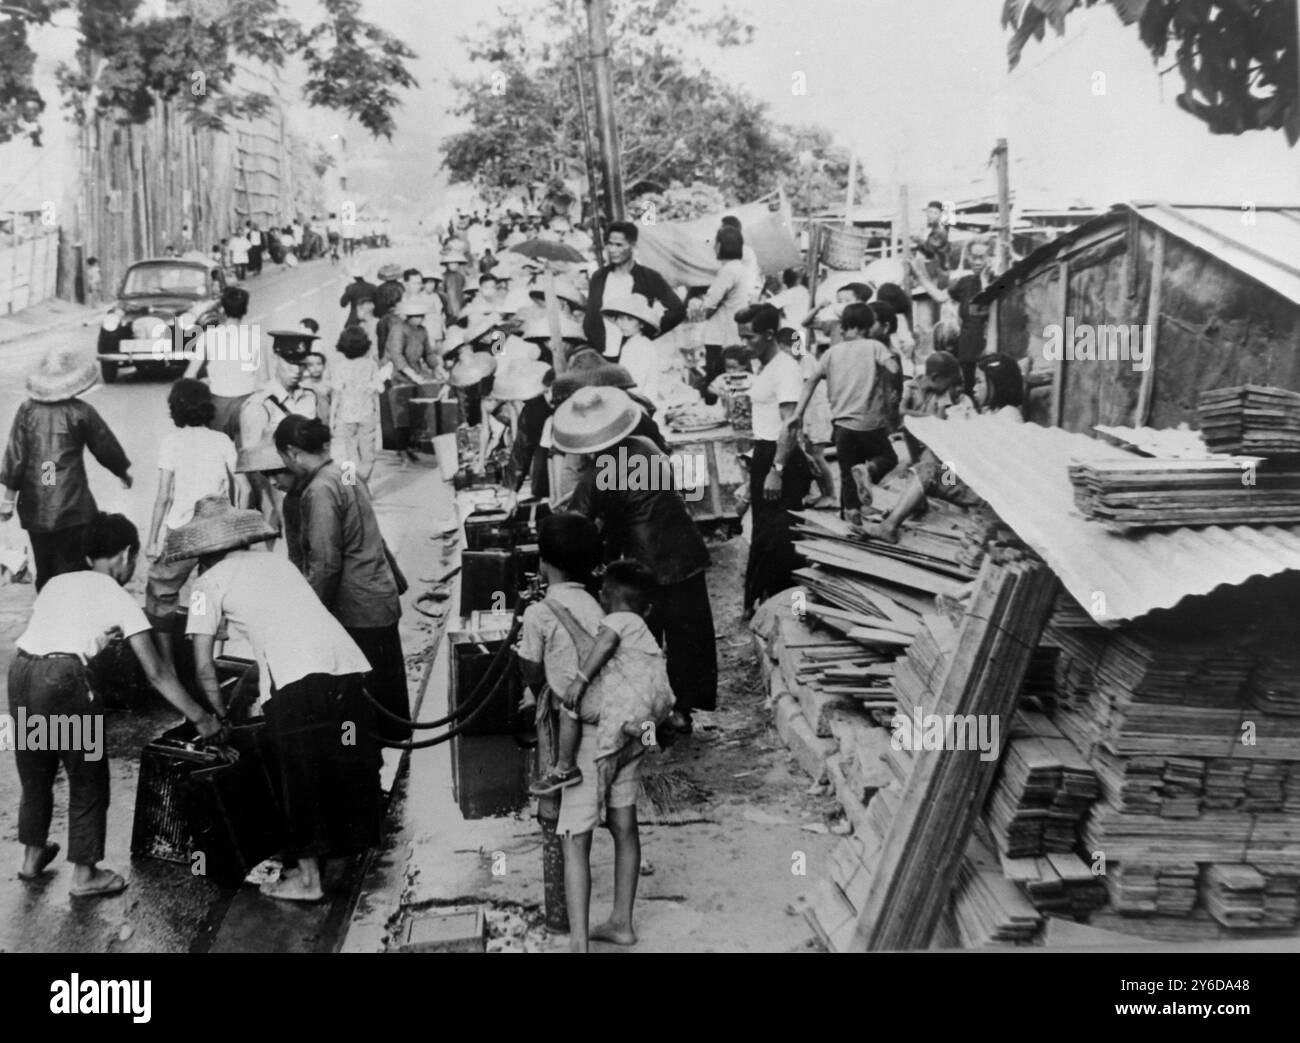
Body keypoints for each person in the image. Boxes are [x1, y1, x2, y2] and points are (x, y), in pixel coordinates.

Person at [168, 496, 379, 902]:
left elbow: (203, 667)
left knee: (296, 778)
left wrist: (216, 717)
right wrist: (255, 679)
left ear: (201, 551)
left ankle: (308, 880)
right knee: (339, 758)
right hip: (344, 663)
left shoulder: (205, 585)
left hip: (296, 682)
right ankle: (348, 851)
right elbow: (287, 622)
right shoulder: (276, 562)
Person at [12, 513, 222, 897]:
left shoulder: (57, 582)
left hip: (22, 673)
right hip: (65, 680)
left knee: (37, 769)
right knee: (88, 775)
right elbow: (157, 672)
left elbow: (56, 630)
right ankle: (86, 874)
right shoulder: (116, 595)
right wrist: (202, 717)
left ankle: (32, 856)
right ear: (126, 554)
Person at [515, 513, 644, 952]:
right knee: (625, 826)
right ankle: (622, 923)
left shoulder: (538, 613)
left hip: (584, 736)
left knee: (575, 840)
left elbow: (532, 673)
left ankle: (578, 946)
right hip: (625, 726)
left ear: (543, 560)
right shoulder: (603, 603)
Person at [559, 386, 716, 733]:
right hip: (685, 547)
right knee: (688, 635)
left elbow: (575, 527)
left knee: (642, 641)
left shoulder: (597, 472)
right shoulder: (646, 447)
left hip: (648, 562)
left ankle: (650, 714)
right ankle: (682, 710)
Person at [274, 416, 410, 744]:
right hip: (378, 593)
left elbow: (325, 564)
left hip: (356, 606)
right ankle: (395, 742)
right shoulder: (345, 471)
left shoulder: (319, 489)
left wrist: (307, 615)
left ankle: (370, 756)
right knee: (388, 686)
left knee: (363, 696)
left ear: (292, 453)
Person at [530, 556, 675, 795]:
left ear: (603, 598)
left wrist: (580, 680)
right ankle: (652, 743)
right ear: (647, 609)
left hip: (632, 704)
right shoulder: (640, 625)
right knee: (645, 720)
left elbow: (604, 647)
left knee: (569, 709)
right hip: (659, 698)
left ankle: (565, 768)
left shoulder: (616, 620)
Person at [0, 349, 133, 590]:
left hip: (36, 508)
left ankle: (49, 614)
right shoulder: (80, 411)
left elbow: (15, 457)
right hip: (73, 507)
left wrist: (8, 500)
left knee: (45, 568)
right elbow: (105, 446)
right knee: (73, 567)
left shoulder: (27, 411)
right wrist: (122, 472)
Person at [864, 353, 1022, 544]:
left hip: (984, 492)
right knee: (932, 454)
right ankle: (915, 502)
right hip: (977, 482)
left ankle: (889, 526)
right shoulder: (994, 412)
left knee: (928, 471)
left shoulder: (1008, 417)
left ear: (998, 384)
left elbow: (991, 460)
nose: (974, 387)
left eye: (980, 382)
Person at [144, 379, 237, 671]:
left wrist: (152, 540)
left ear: (176, 409)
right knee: (209, 595)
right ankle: (208, 662)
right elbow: (241, 486)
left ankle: (167, 664)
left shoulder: (172, 443)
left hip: (182, 531)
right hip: (216, 530)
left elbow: (163, 496)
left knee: (162, 592)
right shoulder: (222, 441)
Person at [788, 303, 899, 523]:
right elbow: (893, 369)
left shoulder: (831, 353)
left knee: (848, 474)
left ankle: (851, 515)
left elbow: (811, 381)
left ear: (843, 327)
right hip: (869, 422)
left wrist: (798, 413)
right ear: (867, 326)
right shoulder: (874, 346)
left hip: (841, 425)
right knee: (888, 458)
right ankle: (868, 470)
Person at [736, 303, 810, 616]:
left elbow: (790, 425)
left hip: (779, 458)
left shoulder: (785, 368)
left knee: (782, 539)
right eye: (741, 337)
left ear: (768, 335)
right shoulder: (765, 366)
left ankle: (794, 608)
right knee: (765, 533)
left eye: (749, 338)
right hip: (764, 454)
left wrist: (777, 470)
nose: (744, 344)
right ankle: (769, 605)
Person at [583, 221, 685, 357]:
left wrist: (648, 330)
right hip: (601, 354)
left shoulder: (648, 276)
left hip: (632, 354)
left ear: (632, 245)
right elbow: (591, 316)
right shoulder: (599, 276)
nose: (612, 250)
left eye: (619, 245)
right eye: (609, 244)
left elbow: (678, 310)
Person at [184, 285, 260, 448]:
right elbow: (264, 378)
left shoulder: (208, 336)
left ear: (223, 311)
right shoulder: (254, 338)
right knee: (247, 457)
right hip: (247, 404)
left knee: (218, 455)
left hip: (218, 405)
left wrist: (205, 382)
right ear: (245, 310)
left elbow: (189, 377)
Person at [330, 326, 383, 483]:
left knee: (348, 453)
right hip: (367, 413)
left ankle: (350, 484)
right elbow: (378, 389)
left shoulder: (339, 366)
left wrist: (332, 419)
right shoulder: (371, 365)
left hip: (345, 415)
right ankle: (363, 482)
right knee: (368, 454)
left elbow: (336, 394)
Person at [947, 239, 996, 394]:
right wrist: (919, 274)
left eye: (982, 257)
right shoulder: (964, 283)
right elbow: (943, 296)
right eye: (974, 257)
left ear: (990, 258)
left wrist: (983, 282)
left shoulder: (998, 282)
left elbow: (982, 311)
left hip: (987, 350)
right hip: (966, 350)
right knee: (968, 393)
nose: (977, 262)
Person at [600, 294, 661, 398]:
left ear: (641, 324)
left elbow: (637, 385)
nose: (623, 324)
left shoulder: (643, 347)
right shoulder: (631, 344)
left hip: (642, 399)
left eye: (629, 319)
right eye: (620, 318)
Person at [301, 351, 332, 424]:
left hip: (326, 423)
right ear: (306, 367)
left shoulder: (329, 385)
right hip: (308, 424)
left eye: (319, 364)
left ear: (324, 366)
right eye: (311, 365)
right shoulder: (302, 386)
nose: (315, 368)